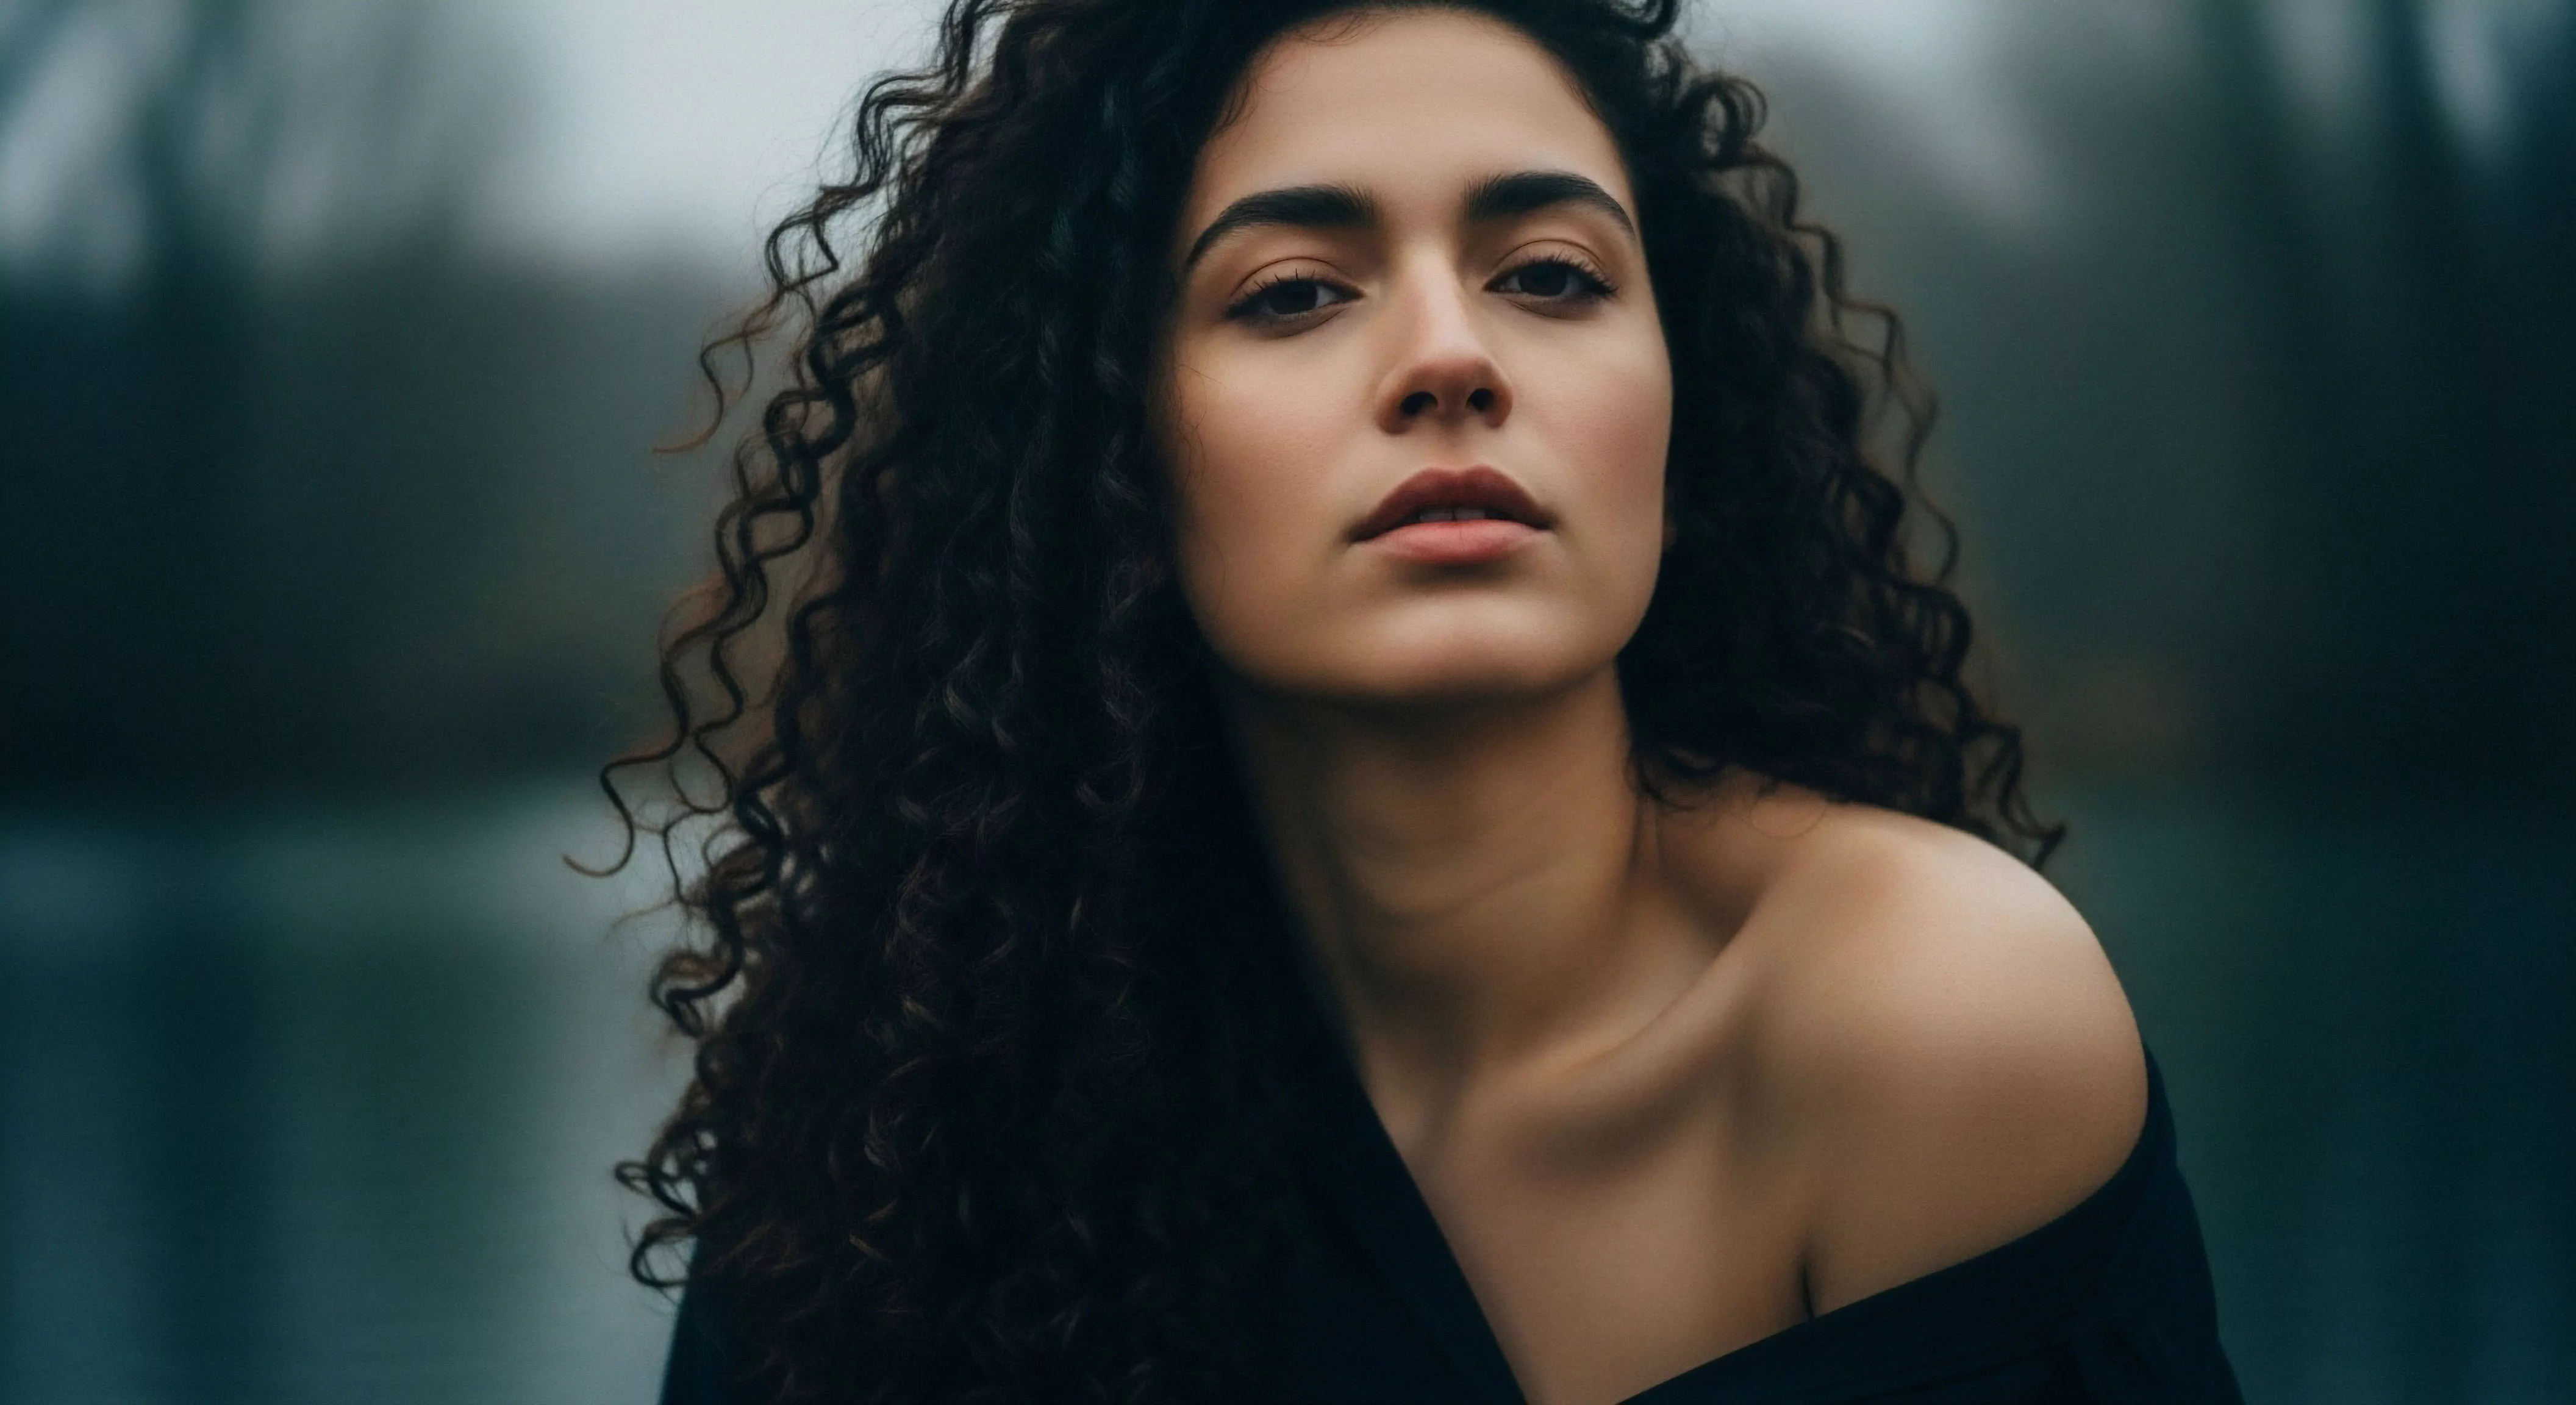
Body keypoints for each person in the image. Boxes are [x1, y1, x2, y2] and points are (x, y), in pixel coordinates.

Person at [606, 0, 2242, 1400]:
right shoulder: (908, 1142)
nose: (1452, 356)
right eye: (1294, 292)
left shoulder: (1929, 1022)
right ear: (1111, 464)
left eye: (1551, 274)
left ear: (1686, 429)